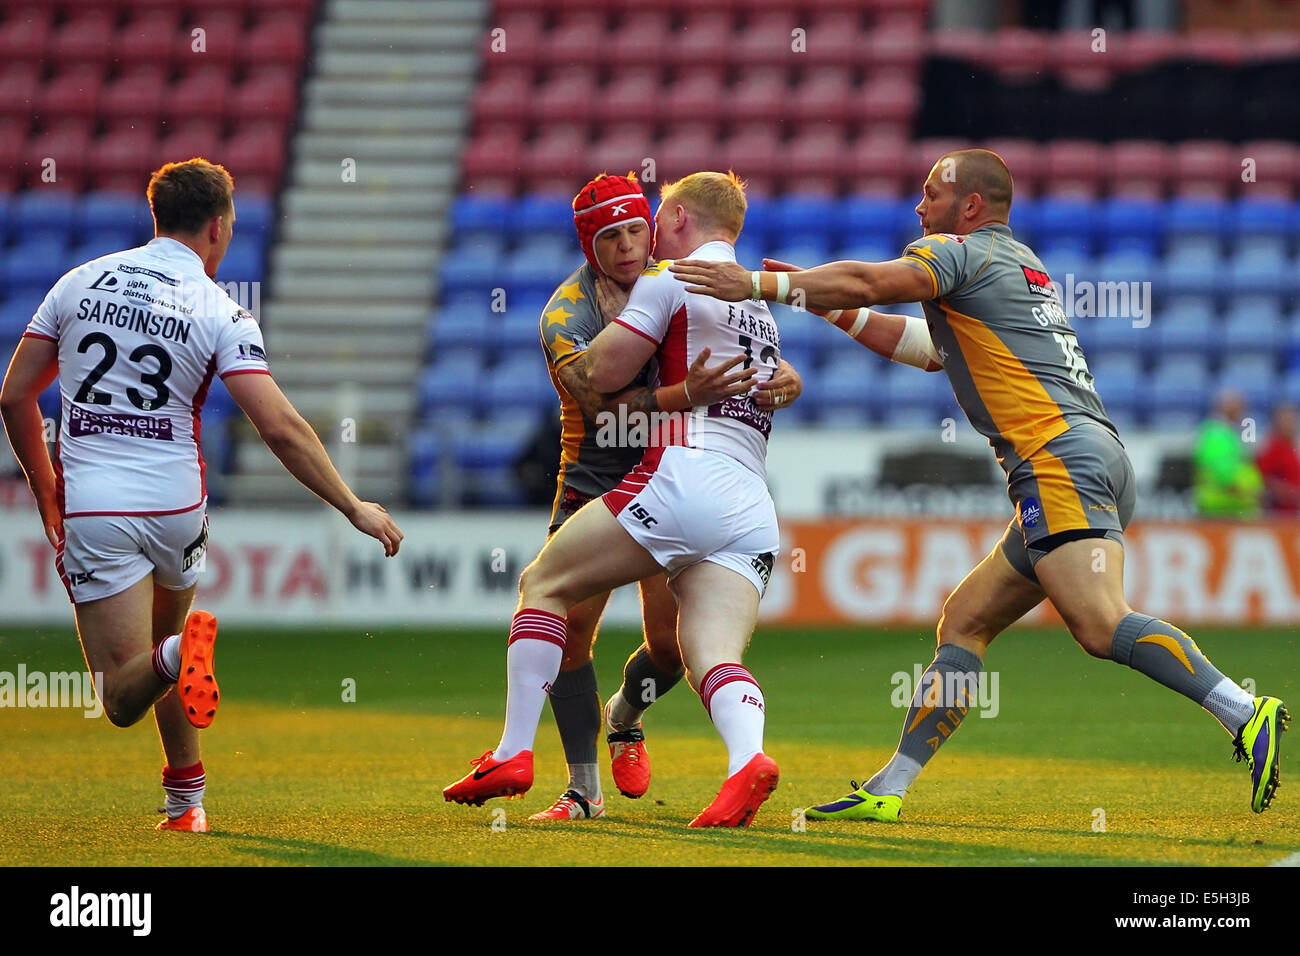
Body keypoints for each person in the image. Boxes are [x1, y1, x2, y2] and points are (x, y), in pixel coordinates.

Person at [670, 148, 1288, 819]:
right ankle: (889, 788)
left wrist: (763, 287)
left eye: (931, 193)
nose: (919, 206)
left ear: (969, 206)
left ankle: (1242, 707)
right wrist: (828, 308)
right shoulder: (1019, 268)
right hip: (1089, 455)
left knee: (1098, 623)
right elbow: (930, 351)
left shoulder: (958, 252)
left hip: (1057, 461)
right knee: (965, 620)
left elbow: (872, 282)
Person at [0, 158, 403, 832]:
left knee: (124, 694)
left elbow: (15, 396)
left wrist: (45, 487)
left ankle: (177, 653)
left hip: (97, 504)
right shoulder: (221, 308)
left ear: (158, 216)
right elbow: (279, 426)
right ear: (218, 227)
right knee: (166, 654)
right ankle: (188, 803)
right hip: (178, 505)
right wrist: (352, 504)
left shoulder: (77, 283)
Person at [445, 171, 785, 827]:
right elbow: (597, 402)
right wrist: (692, 393)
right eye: (612, 236)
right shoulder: (567, 314)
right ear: (587, 244)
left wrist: (777, 379)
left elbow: (705, 364)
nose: (631, 245)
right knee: (579, 631)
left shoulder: (674, 280)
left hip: (673, 476)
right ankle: (583, 789)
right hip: (606, 476)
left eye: (638, 228)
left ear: (663, 223)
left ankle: (617, 723)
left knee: (663, 645)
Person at [1193, 389, 1264, 518]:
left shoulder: (1229, 432)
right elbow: (1219, 466)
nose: (1242, 410)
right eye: (1238, 405)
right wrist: (1238, 488)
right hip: (1221, 507)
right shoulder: (1217, 433)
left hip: (1233, 506)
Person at [1257, 402, 1300, 515]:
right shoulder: (1272, 448)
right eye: (1285, 421)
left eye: (1291, 420)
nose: (1290, 424)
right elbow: (1264, 479)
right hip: (1280, 514)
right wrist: (1290, 493)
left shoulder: (1292, 446)